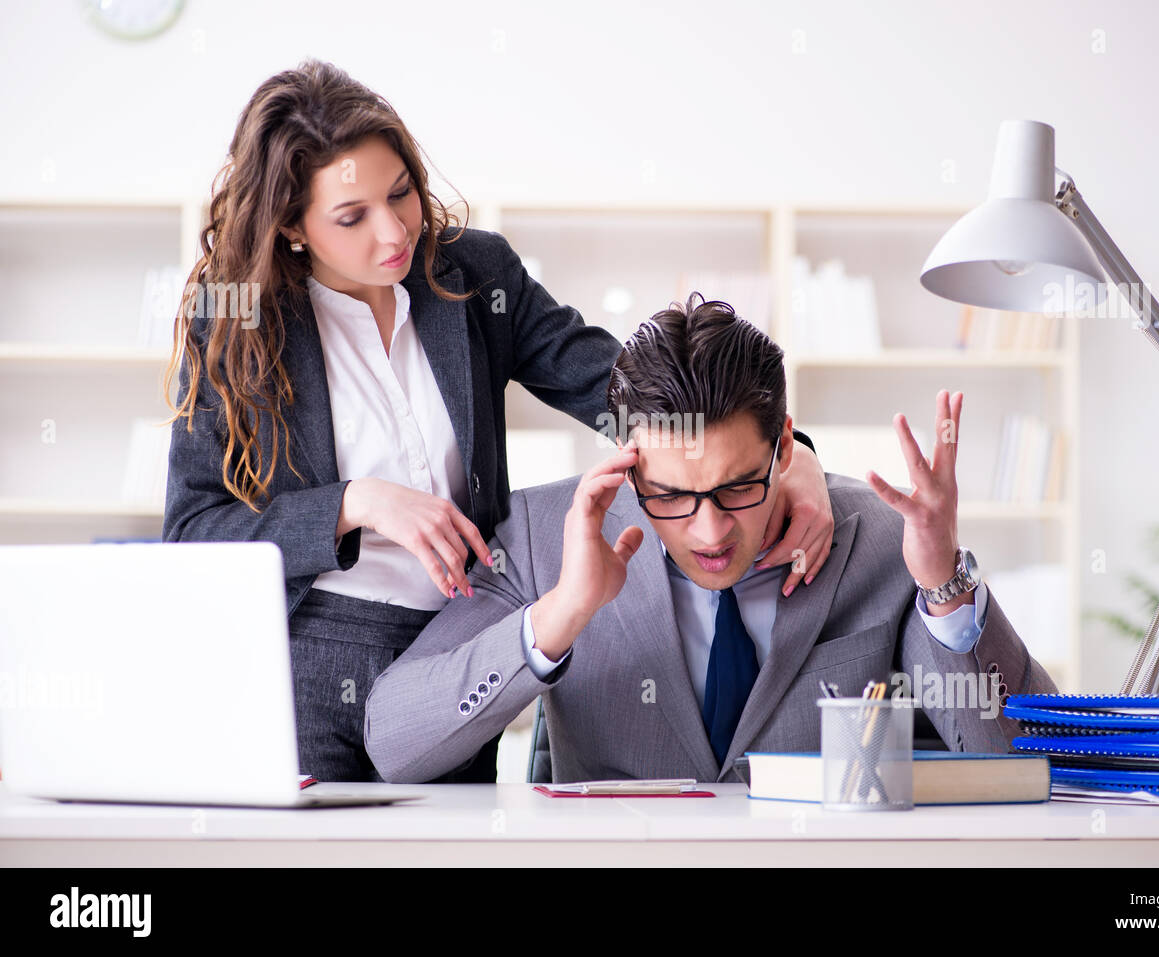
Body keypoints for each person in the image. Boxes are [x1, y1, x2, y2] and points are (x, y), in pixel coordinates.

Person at [161, 60, 836, 784]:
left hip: (459, 649)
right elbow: (194, 531)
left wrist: (791, 458)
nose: (394, 231)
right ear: (292, 225)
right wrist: (356, 503)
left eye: (401, 193)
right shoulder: (238, 321)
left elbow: (633, 398)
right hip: (307, 658)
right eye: (352, 217)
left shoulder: (476, 276)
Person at [364, 294, 1060, 784]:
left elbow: (1023, 763)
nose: (710, 530)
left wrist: (943, 581)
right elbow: (393, 743)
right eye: (669, 495)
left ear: (785, 446)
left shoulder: (884, 539)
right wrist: (561, 613)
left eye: (737, 487)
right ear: (627, 459)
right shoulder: (546, 536)